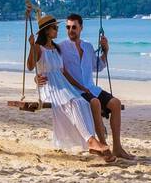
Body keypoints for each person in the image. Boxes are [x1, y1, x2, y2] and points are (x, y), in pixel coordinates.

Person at [26, 14, 112, 159]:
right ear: (47, 31)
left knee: (82, 102)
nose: (57, 30)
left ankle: (93, 142)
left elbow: (64, 72)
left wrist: (81, 87)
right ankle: (91, 141)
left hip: (63, 85)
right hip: (49, 87)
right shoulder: (38, 48)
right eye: (55, 28)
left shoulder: (56, 48)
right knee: (74, 103)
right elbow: (29, 66)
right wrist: (31, 48)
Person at [55, 13, 134, 162]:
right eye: (68, 27)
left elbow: (98, 66)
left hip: (91, 88)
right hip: (76, 91)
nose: (70, 30)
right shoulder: (61, 48)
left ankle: (117, 147)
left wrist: (106, 50)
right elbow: (60, 71)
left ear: (81, 28)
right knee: (95, 103)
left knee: (115, 103)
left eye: (74, 27)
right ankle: (103, 146)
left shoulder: (88, 46)